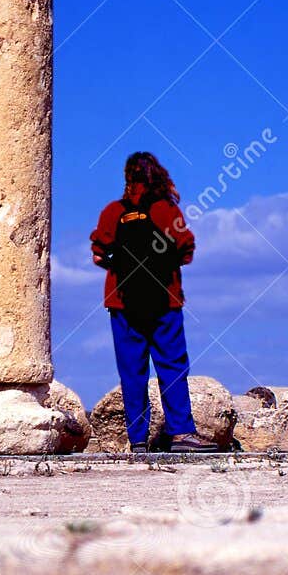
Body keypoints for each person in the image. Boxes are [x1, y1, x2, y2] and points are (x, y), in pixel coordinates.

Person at [90, 151, 219, 453]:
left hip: (122, 304)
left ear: (127, 178)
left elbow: (98, 254)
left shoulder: (112, 212)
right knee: (172, 366)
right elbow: (186, 251)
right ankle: (181, 434)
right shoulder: (166, 210)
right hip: (166, 302)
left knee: (132, 371)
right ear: (159, 175)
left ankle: (137, 440)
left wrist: (122, 271)